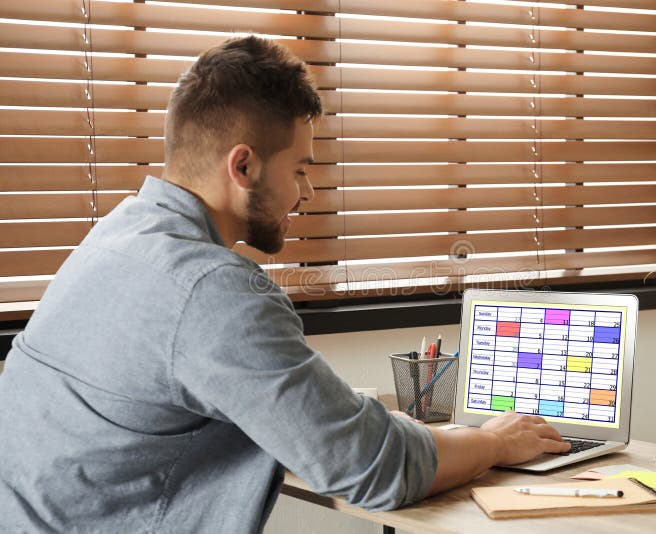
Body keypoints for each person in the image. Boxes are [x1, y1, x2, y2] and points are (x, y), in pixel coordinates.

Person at [0, 36, 570, 533]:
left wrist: (358, 420)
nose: (308, 194)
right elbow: (369, 469)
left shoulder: (116, 237)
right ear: (243, 166)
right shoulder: (211, 289)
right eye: (299, 169)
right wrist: (495, 442)